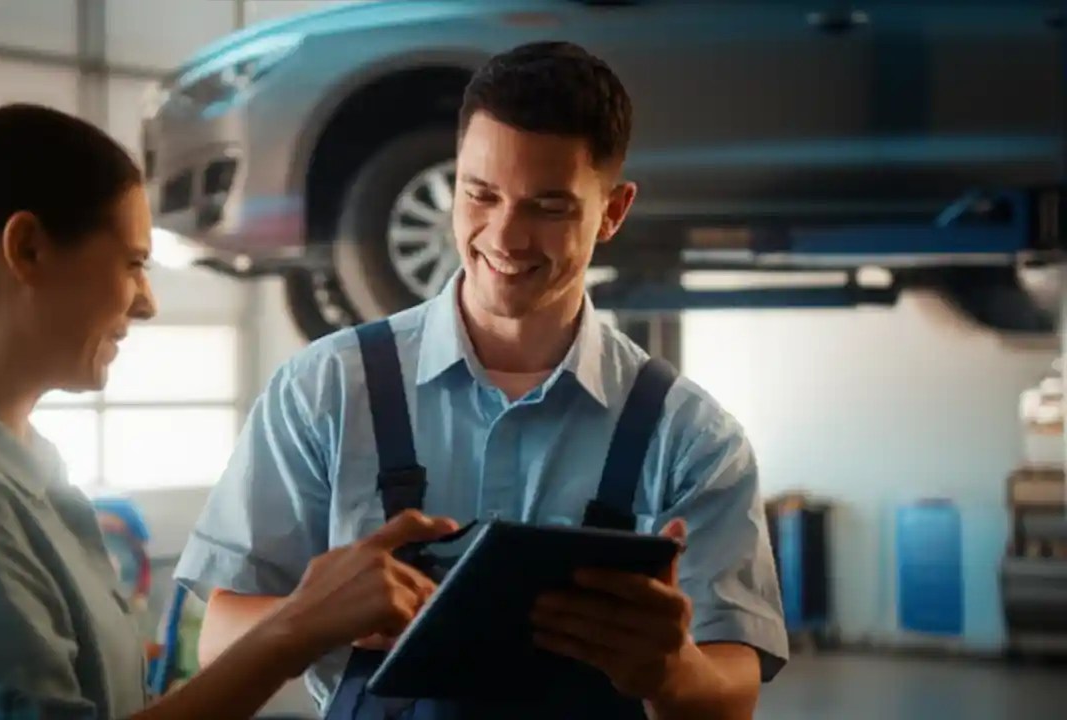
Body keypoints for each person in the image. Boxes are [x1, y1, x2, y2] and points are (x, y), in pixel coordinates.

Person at [175, 41, 789, 719]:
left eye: (549, 207)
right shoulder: (325, 390)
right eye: (481, 194)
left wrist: (674, 672)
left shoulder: (692, 438)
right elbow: (221, 636)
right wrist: (317, 617)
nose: (506, 237)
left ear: (612, 210)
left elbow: (733, 688)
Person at [0, 103, 461, 720]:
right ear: (28, 250)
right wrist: (293, 628)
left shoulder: (3, 463)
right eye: (133, 265)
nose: (147, 303)